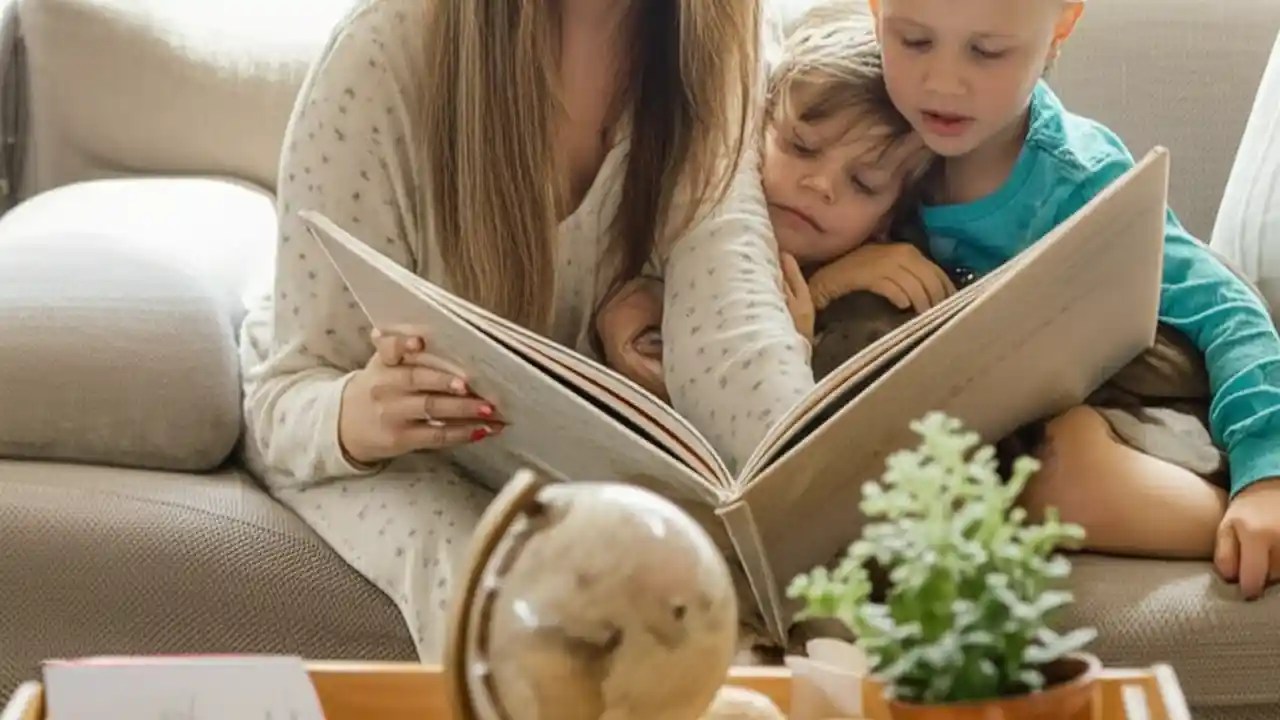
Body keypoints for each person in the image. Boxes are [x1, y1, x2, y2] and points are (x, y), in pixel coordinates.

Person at [238, 0, 816, 662]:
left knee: (744, 602)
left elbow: (736, 339)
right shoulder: (385, 55)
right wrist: (359, 415)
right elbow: (283, 396)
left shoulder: (714, 45)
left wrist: (822, 494)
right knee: (512, 597)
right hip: (389, 456)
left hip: (567, 454)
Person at [866, 0, 1280, 598]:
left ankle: (1245, 530)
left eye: (986, 51)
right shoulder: (867, 130)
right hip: (961, 429)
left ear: (1060, 28)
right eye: (913, 41)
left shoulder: (1080, 180)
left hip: (1137, 412)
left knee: (1066, 470)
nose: (943, 82)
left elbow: (1228, 309)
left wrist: (1265, 477)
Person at [596, 3, 944, 398]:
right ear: (757, 127)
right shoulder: (701, 211)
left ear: (887, 218)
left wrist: (821, 295)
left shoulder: (876, 286)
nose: (819, 184)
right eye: (802, 147)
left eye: (864, 184)